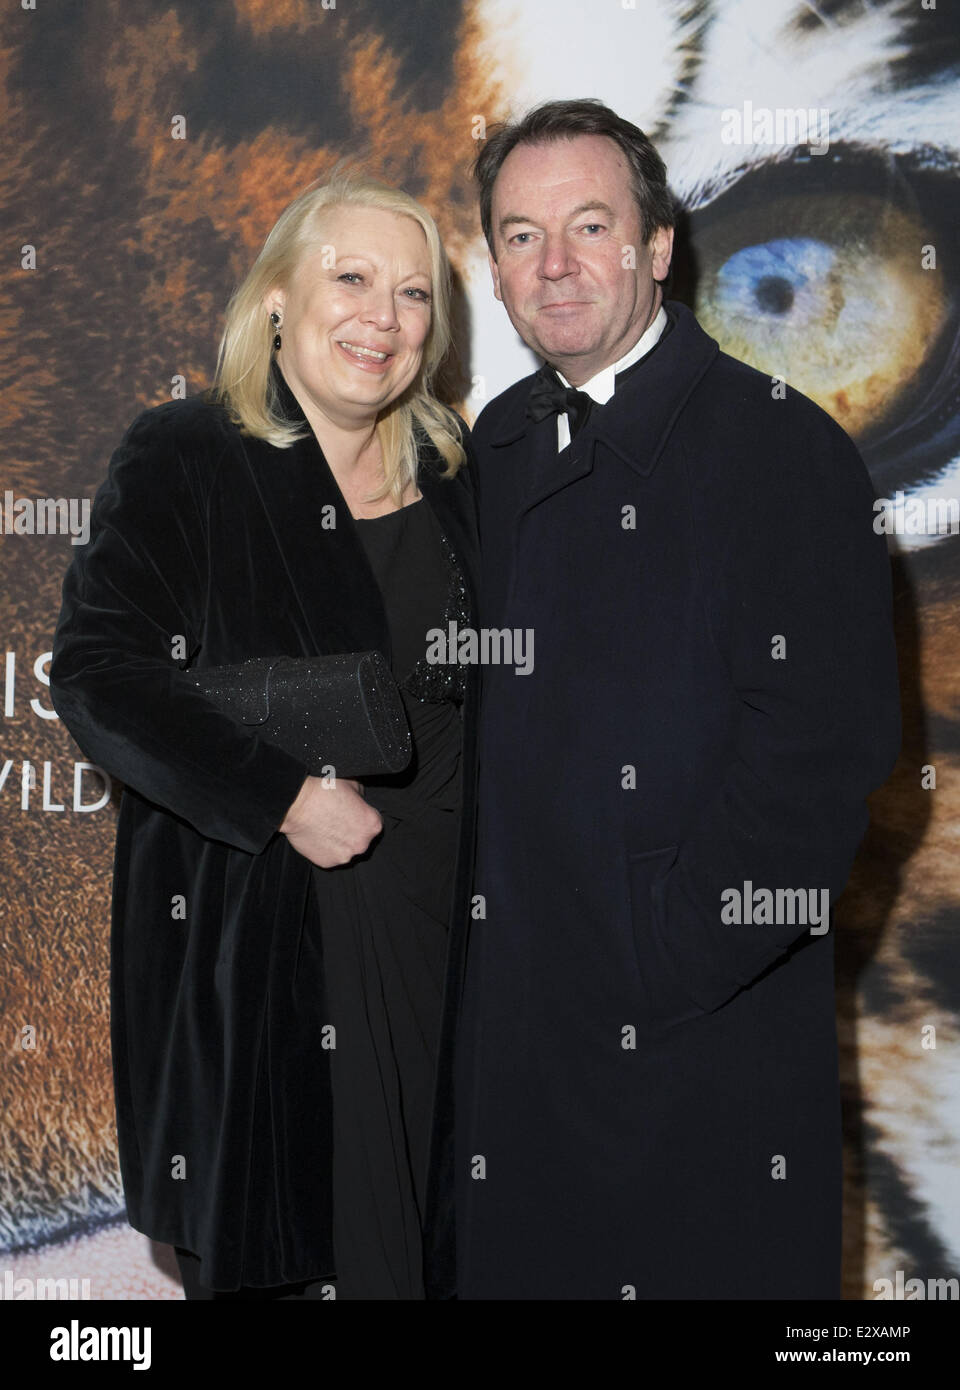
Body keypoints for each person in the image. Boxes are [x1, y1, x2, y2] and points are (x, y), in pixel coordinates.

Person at [452, 99, 901, 1300]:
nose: (555, 266)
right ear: (491, 266)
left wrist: (659, 954)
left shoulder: (782, 450)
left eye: (589, 226)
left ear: (658, 247)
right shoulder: (492, 445)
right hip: (509, 1079)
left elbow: (822, 762)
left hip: (699, 1074)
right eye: (520, 235)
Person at [49, 170, 480, 1300]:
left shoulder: (459, 477)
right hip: (270, 932)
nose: (383, 318)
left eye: (415, 293)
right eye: (351, 279)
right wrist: (284, 793)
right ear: (278, 299)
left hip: (450, 928)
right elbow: (99, 673)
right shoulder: (187, 453)